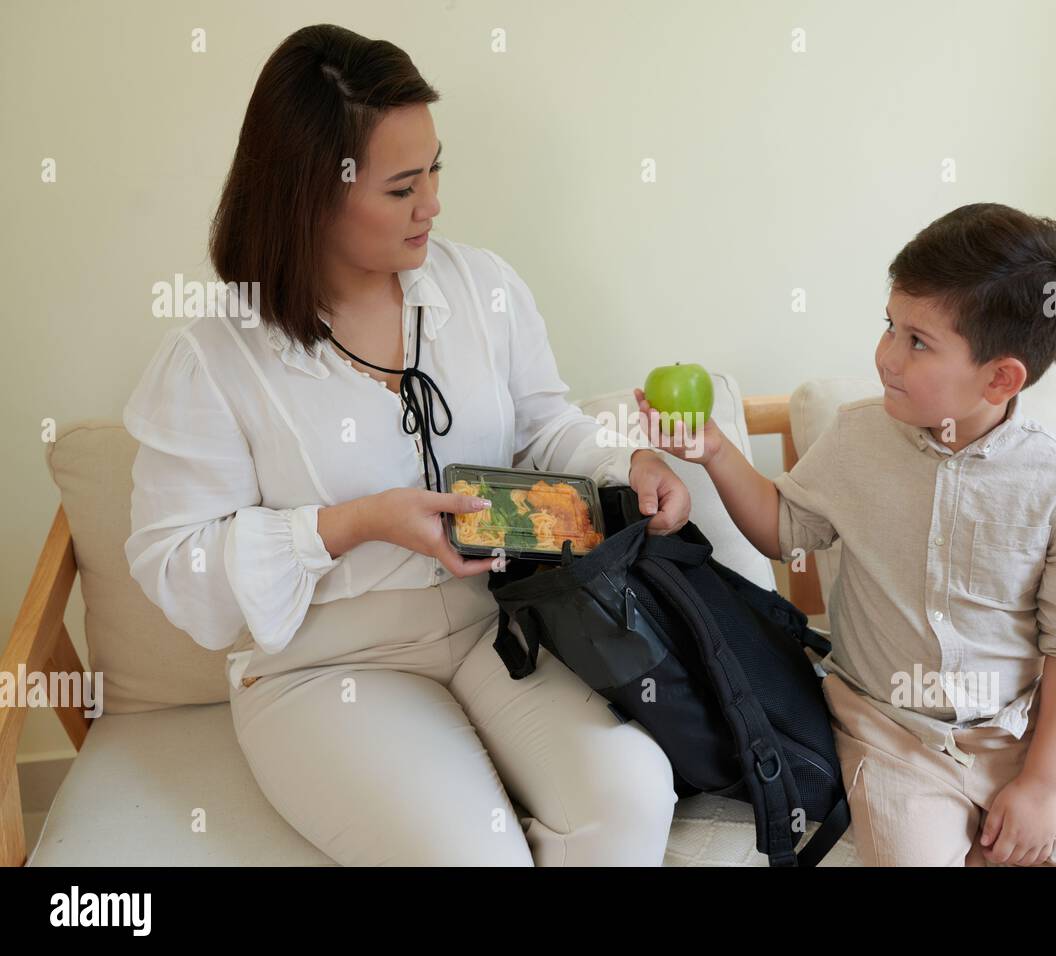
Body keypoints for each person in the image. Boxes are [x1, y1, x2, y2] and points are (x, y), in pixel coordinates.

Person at [123, 24, 688, 866]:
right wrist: (353, 523)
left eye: (435, 171)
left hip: (496, 624)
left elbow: (545, 427)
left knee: (634, 797)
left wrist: (625, 461)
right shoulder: (213, 359)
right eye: (400, 188)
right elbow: (176, 567)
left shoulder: (482, 288)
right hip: (323, 667)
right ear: (309, 192)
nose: (432, 204)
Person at [636, 203, 1056, 866]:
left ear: (1001, 377)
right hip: (893, 733)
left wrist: (1040, 785)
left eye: (918, 341)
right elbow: (784, 530)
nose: (886, 356)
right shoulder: (859, 435)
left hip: (1020, 727)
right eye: (889, 326)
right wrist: (715, 449)